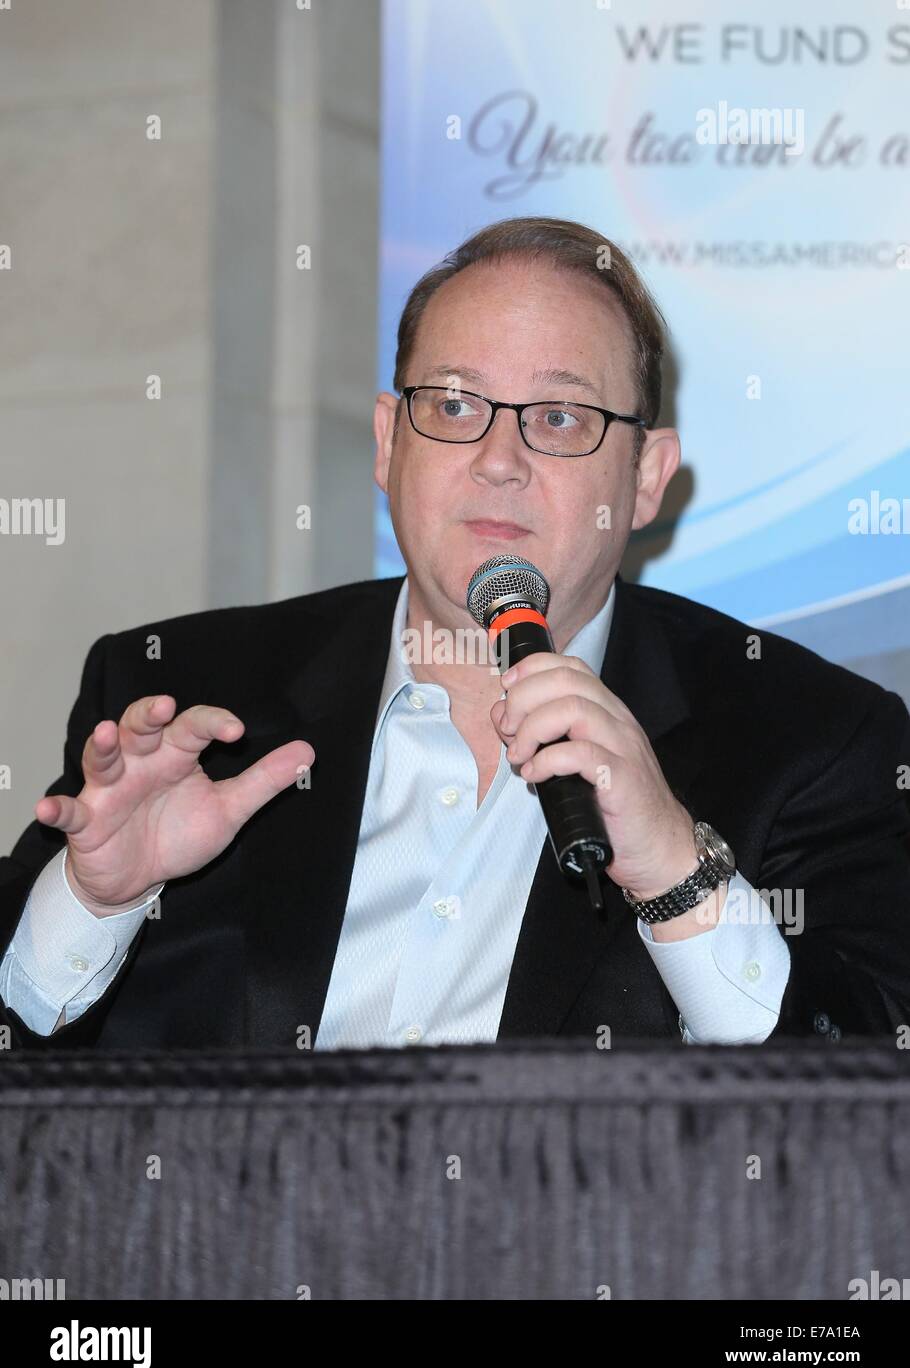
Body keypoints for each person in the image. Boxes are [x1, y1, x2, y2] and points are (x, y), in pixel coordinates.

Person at [2, 215, 909, 1051]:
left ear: (646, 479)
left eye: (560, 417)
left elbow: (863, 1100)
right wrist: (95, 901)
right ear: (389, 444)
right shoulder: (186, 695)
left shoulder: (813, 739)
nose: (499, 461)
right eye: (453, 404)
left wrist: (677, 871)